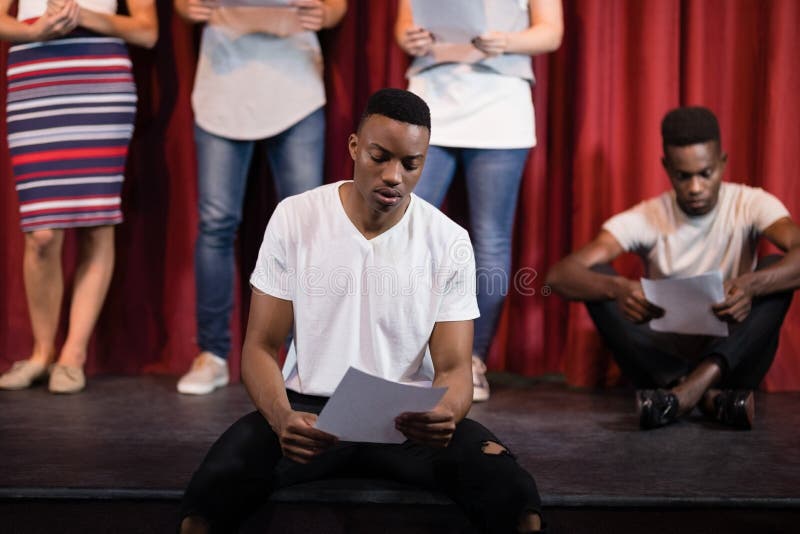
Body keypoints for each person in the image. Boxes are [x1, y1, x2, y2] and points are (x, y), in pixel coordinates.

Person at [179, 89, 544, 533]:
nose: (394, 175)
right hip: (309, 413)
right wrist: (281, 418)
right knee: (209, 493)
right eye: (380, 157)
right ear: (354, 147)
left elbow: (453, 368)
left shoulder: (448, 240)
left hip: (407, 418)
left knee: (515, 494)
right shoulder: (295, 218)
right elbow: (259, 347)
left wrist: (446, 413)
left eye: (411, 164)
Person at [546, 106, 800, 430]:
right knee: (599, 280)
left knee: (777, 270)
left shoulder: (751, 203)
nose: (695, 187)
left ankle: (684, 394)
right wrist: (620, 289)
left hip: (734, 359)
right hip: (661, 362)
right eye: (683, 176)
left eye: (705, 173)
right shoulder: (647, 216)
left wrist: (751, 286)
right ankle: (707, 398)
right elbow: (559, 276)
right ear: (667, 168)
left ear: (722, 163)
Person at [173, 0, 347, 395]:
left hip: (295, 85)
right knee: (216, 223)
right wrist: (188, 7)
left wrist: (326, 13)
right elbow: (184, 6)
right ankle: (212, 353)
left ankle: (301, 357)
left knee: (307, 231)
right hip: (223, 83)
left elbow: (335, 7)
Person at [395, 0, 563, 401]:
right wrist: (411, 37)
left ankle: (470, 359)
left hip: (500, 98)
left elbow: (551, 32)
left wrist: (505, 41)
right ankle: (403, 355)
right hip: (432, 95)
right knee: (405, 230)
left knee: (490, 239)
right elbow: (404, 24)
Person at [0, 0, 157, 393]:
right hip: (35, 80)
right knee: (41, 233)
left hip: (100, 81)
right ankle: (40, 352)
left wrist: (83, 16)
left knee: (97, 222)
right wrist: (36, 30)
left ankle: (73, 354)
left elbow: (146, 31)